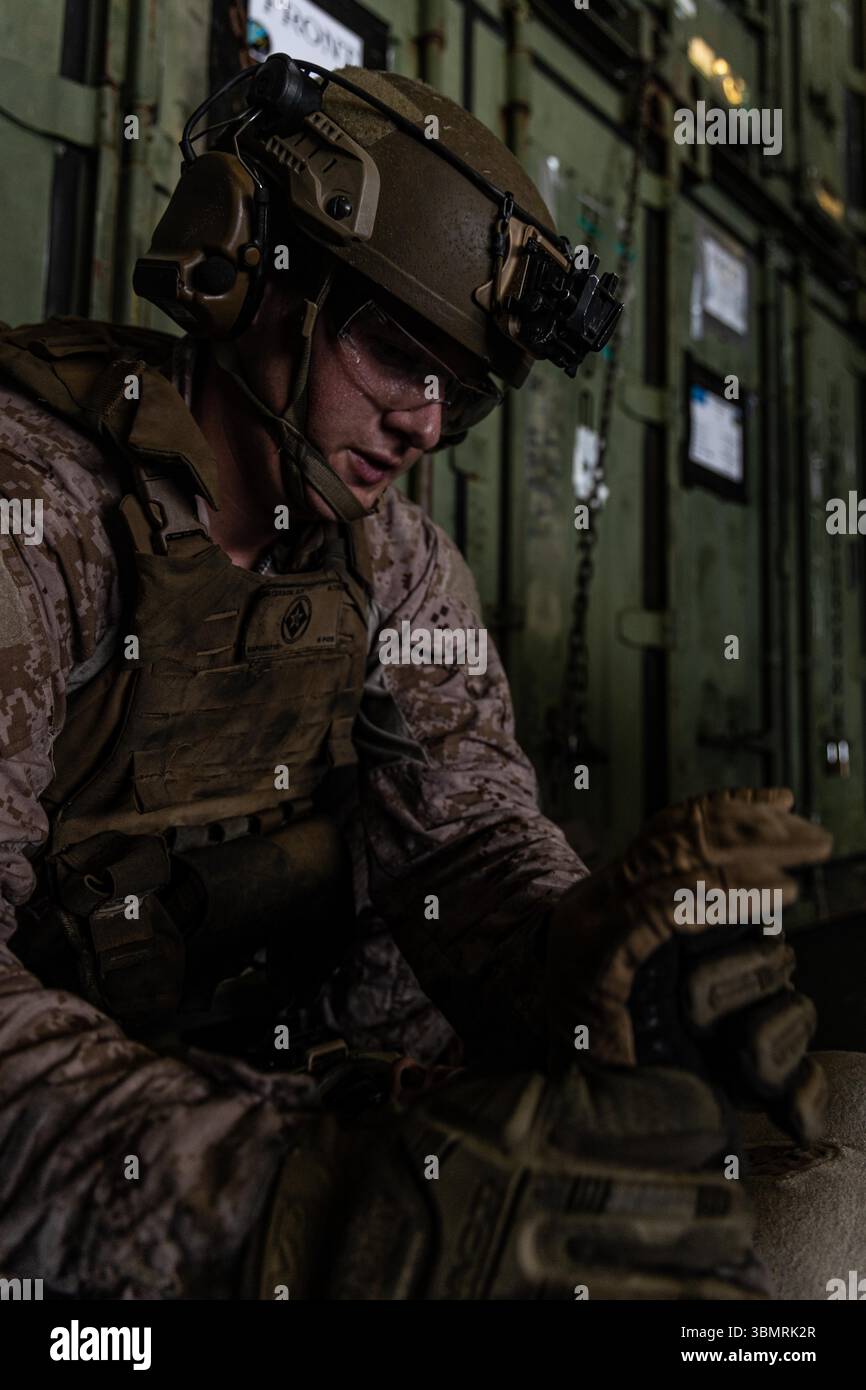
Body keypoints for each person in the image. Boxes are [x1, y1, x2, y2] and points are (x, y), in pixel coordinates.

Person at [0, 59, 831, 1300]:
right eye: (395, 351)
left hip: (293, 1095)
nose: (426, 425)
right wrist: (298, 1200)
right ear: (241, 275)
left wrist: (598, 956)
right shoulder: (37, 507)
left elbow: (465, 842)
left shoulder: (390, 558)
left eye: (465, 390)